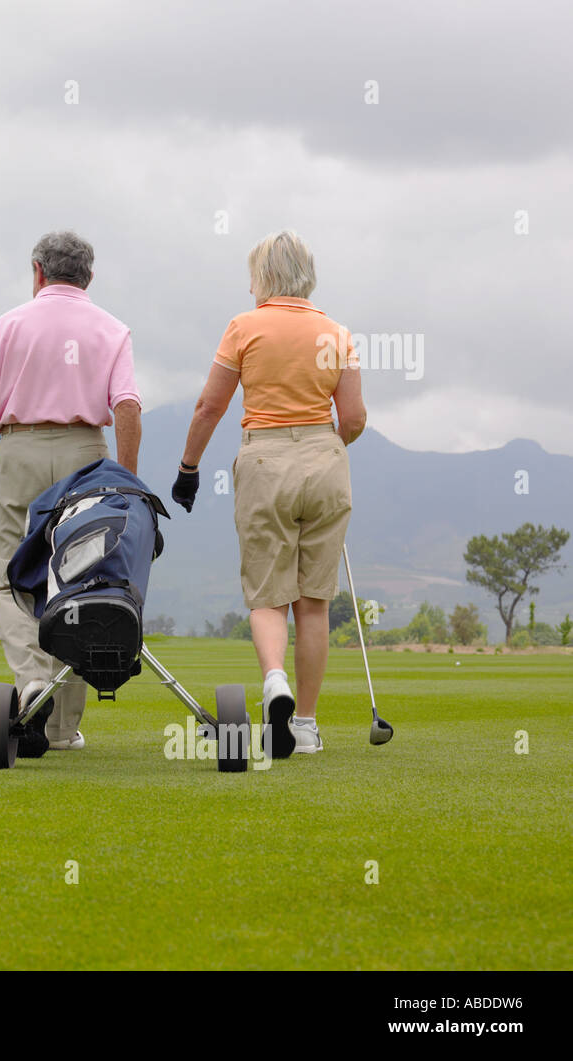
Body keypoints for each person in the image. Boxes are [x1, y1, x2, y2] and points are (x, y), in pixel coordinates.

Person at [170, 230, 366, 756]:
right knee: (314, 600)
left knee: (266, 591)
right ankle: (304, 723)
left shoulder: (245, 326)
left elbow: (209, 408)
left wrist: (188, 468)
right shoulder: (337, 334)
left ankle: (273, 678)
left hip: (264, 460)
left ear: (262, 277)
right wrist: (327, 445)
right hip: (326, 462)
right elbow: (353, 418)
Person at [0, 231, 142, 754]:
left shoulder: (7, 325)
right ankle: (60, 728)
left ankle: (31, 680)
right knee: (82, 581)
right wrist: (124, 482)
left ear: (37, 270)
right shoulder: (113, 328)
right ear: (89, 276)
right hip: (87, 453)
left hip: (21, 449)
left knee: (6, 576)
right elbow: (127, 406)